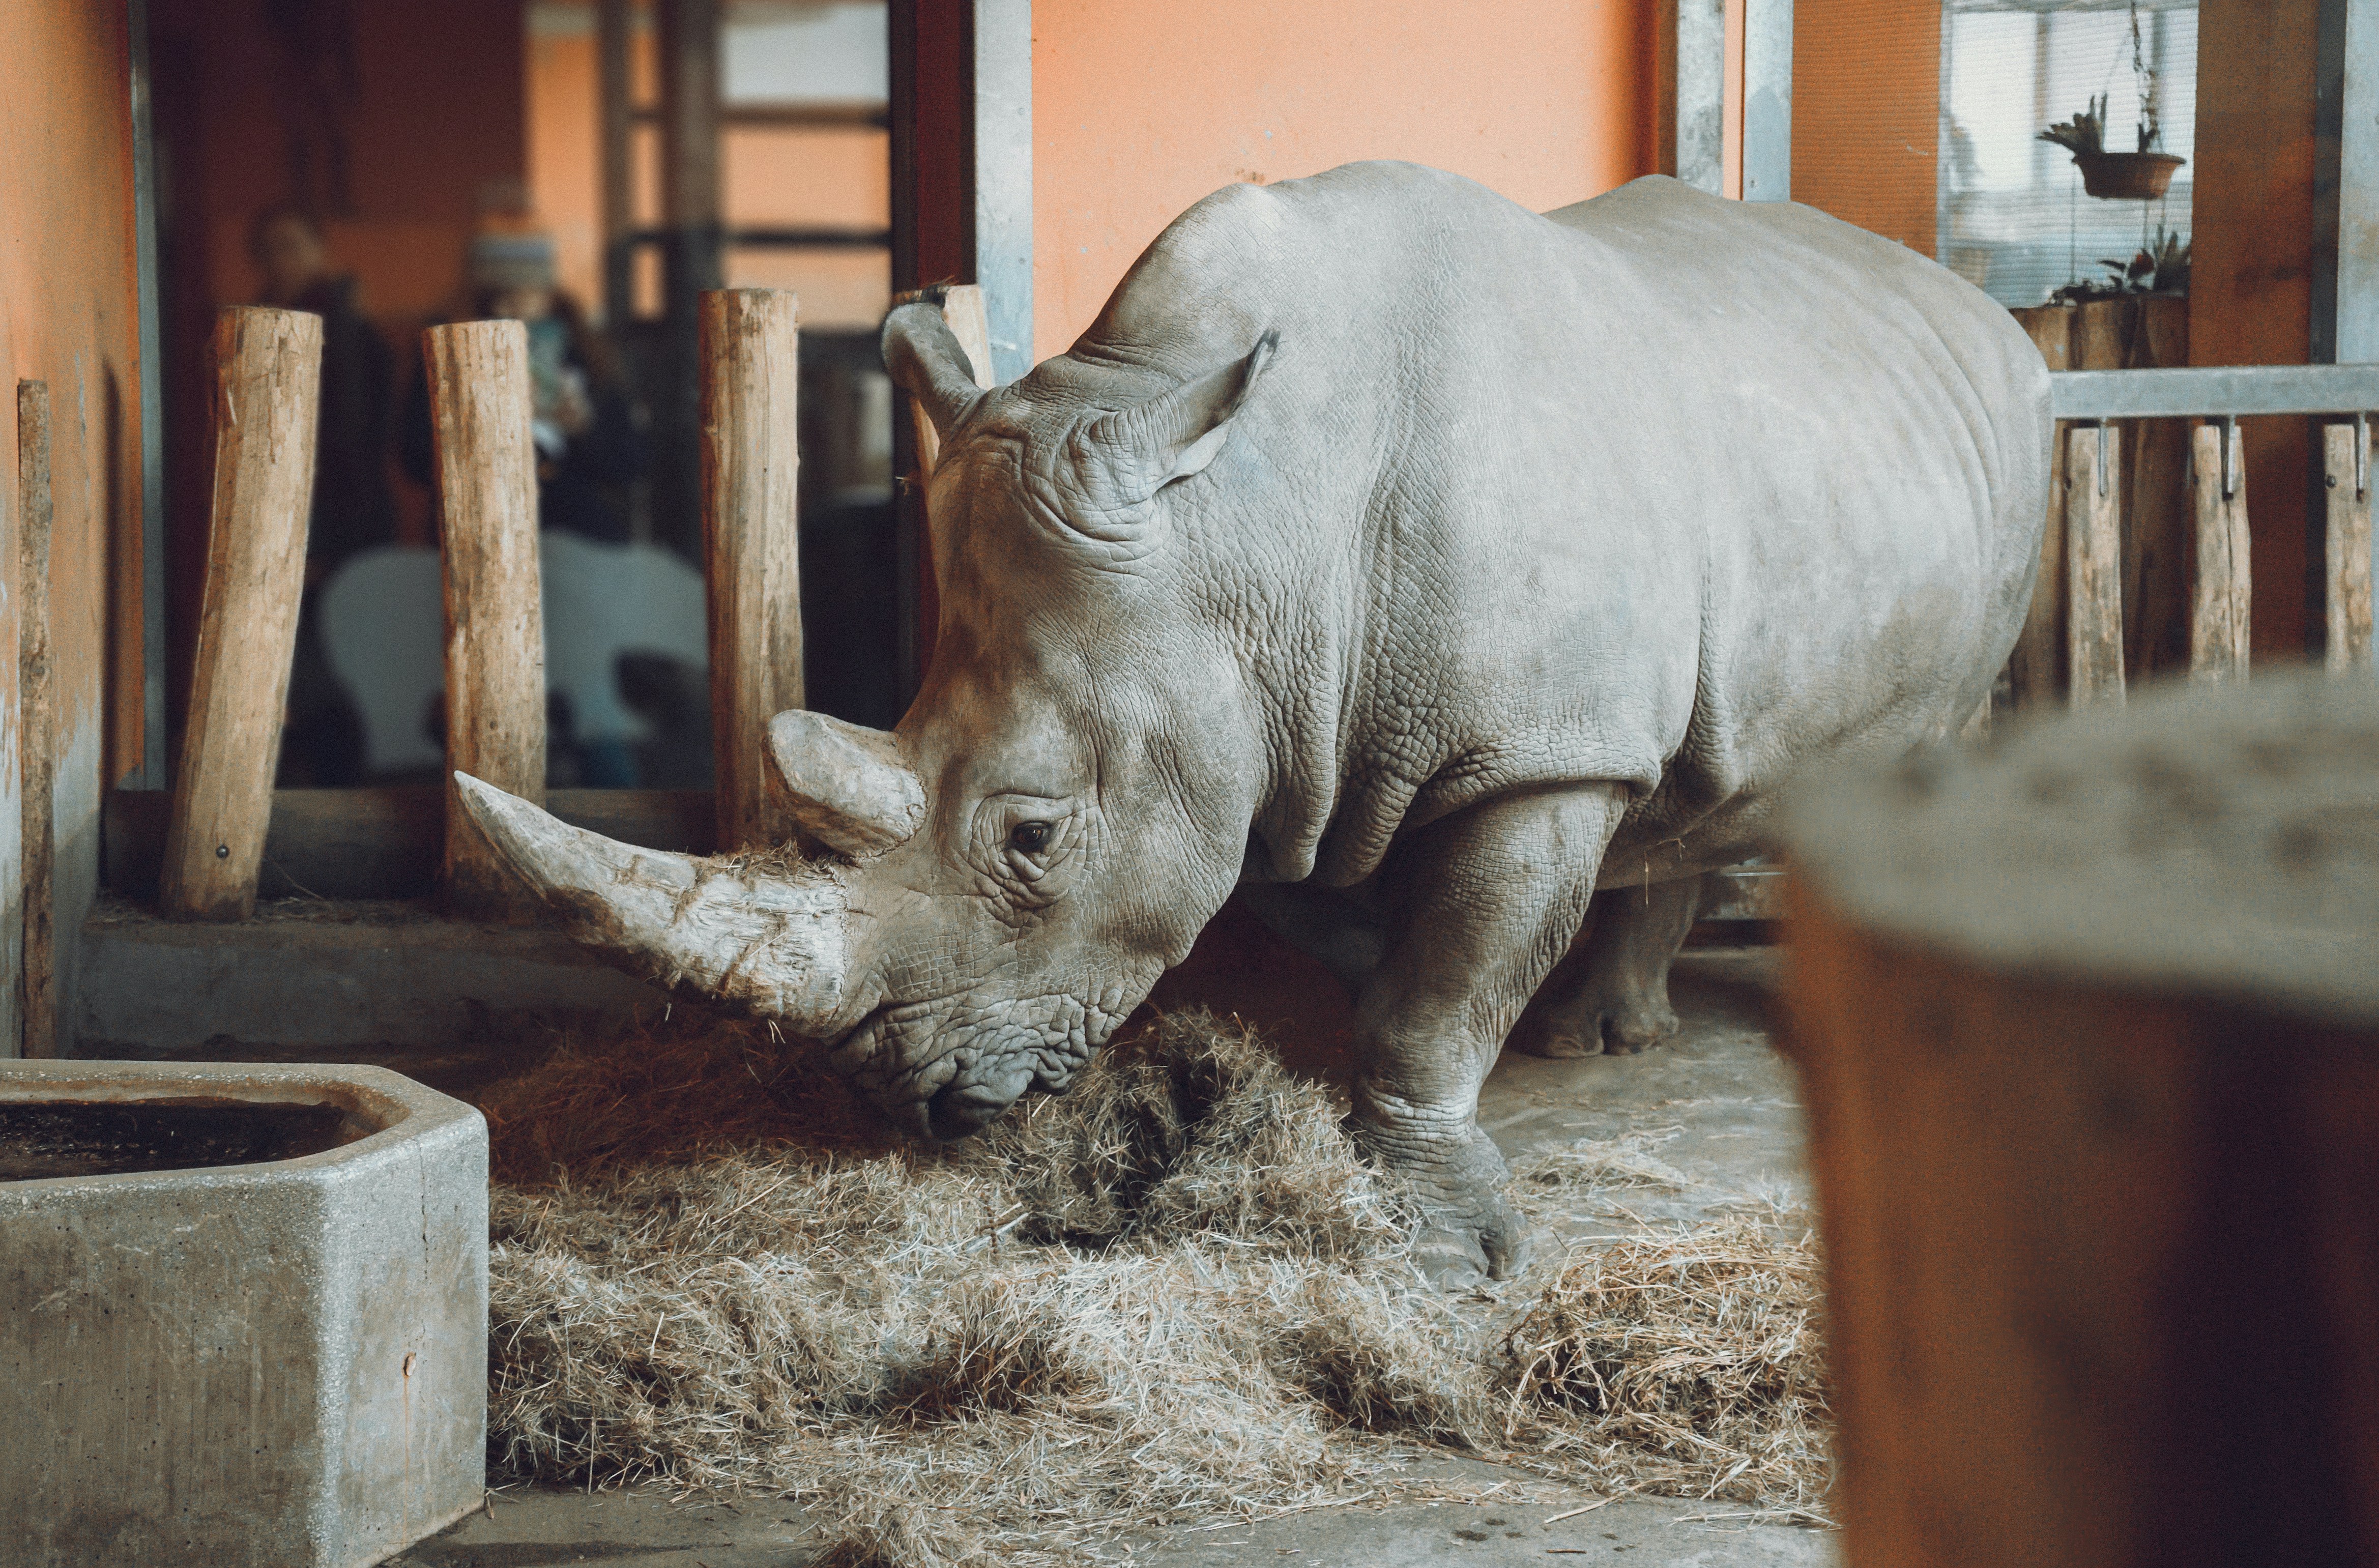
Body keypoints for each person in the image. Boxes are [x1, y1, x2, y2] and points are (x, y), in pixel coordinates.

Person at [251, 204, 394, 785]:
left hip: (338, 526)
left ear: (320, 250)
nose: (279, 260)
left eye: (291, 243)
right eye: (268, 248)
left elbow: (352, 446)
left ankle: (345, 788)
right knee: (301, 663)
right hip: (292, 521)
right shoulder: (263, 328)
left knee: (340, 658)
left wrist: (324, 543)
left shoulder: (352, 334)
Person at [400, 219, 645, 542]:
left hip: (573, 533)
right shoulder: (446, 356)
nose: (510, 312)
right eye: (495, 300)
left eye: (526, 295)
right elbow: (415, 458)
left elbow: (629, 463)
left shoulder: (586, 356)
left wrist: (583, 430)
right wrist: (486, 420)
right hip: (479, 530)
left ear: (549, 295)